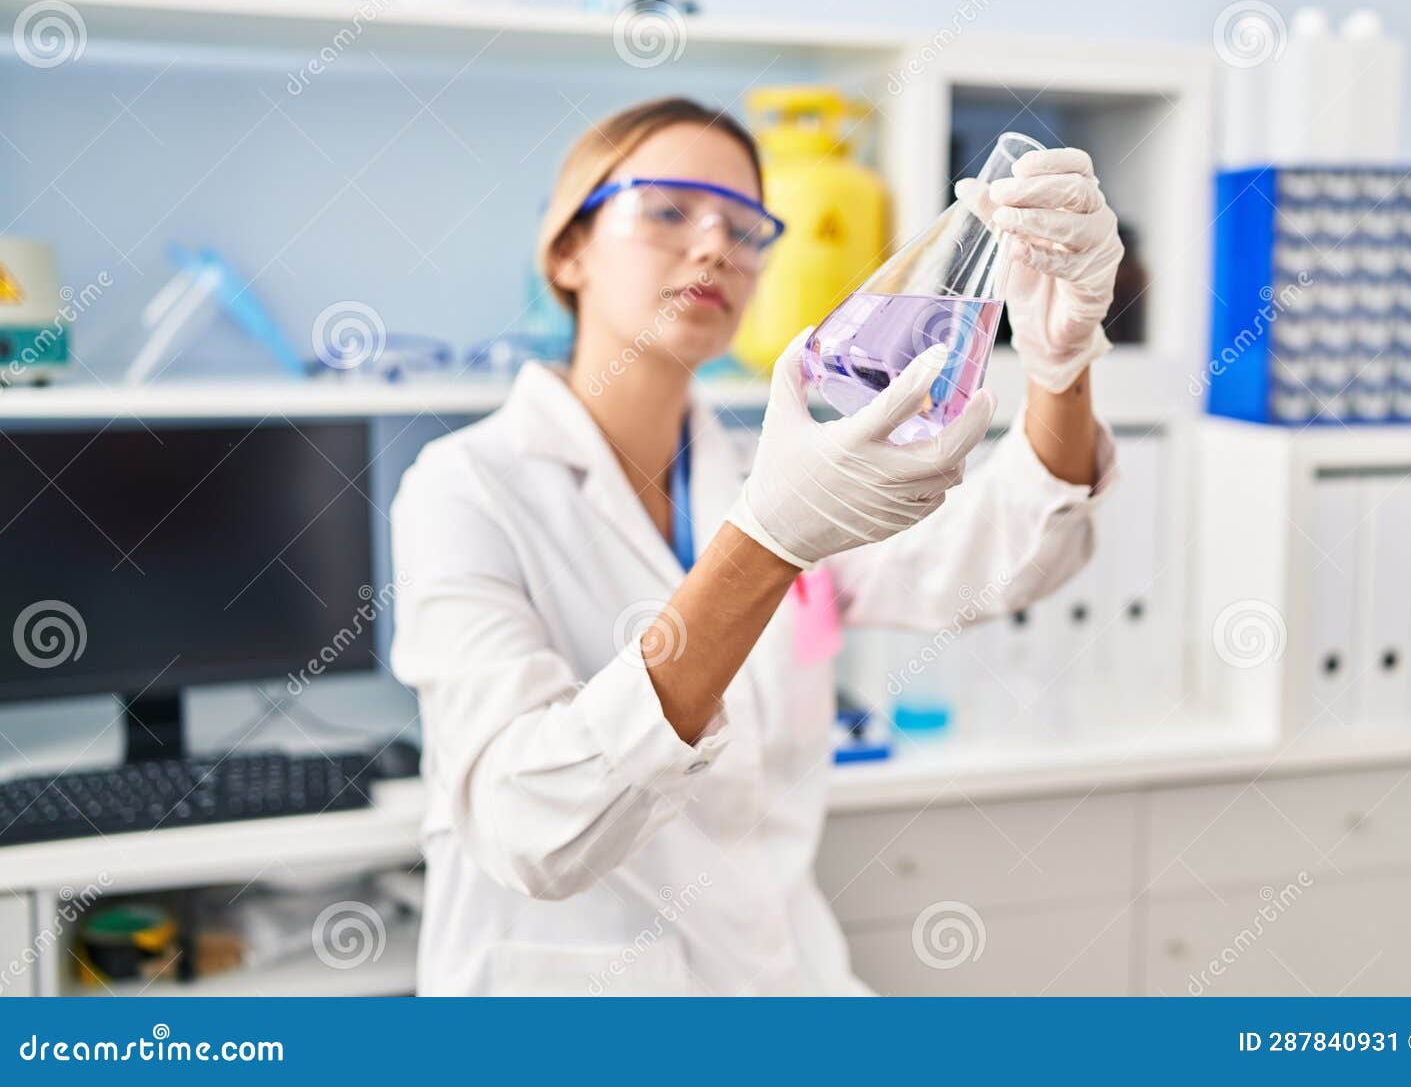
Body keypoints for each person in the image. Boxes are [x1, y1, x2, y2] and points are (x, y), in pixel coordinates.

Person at [390, 96, 1122, 995]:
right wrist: (766, 543)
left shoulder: (767, 465)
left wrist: (1059, 362)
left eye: (745, 226)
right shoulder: (465, 487)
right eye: (667, 209)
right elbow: (531, 826)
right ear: (568, 249)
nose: (715, 247)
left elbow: (997, 560)